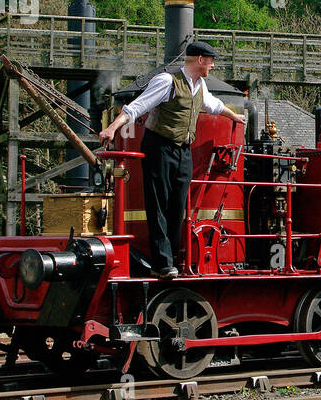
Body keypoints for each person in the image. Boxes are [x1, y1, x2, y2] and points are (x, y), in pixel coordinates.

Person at [99, 41, 247, 277]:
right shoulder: (167, 81)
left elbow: (214, 106)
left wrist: (235, 117)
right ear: (199, 60)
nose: (213, 65)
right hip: (159, 146)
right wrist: (112, 128)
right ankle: (162, 264)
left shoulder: (200, 86)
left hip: (183, 149)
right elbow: (136, 107)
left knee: (178, 206)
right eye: (210, 61)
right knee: (158, 202)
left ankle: (174, 256)